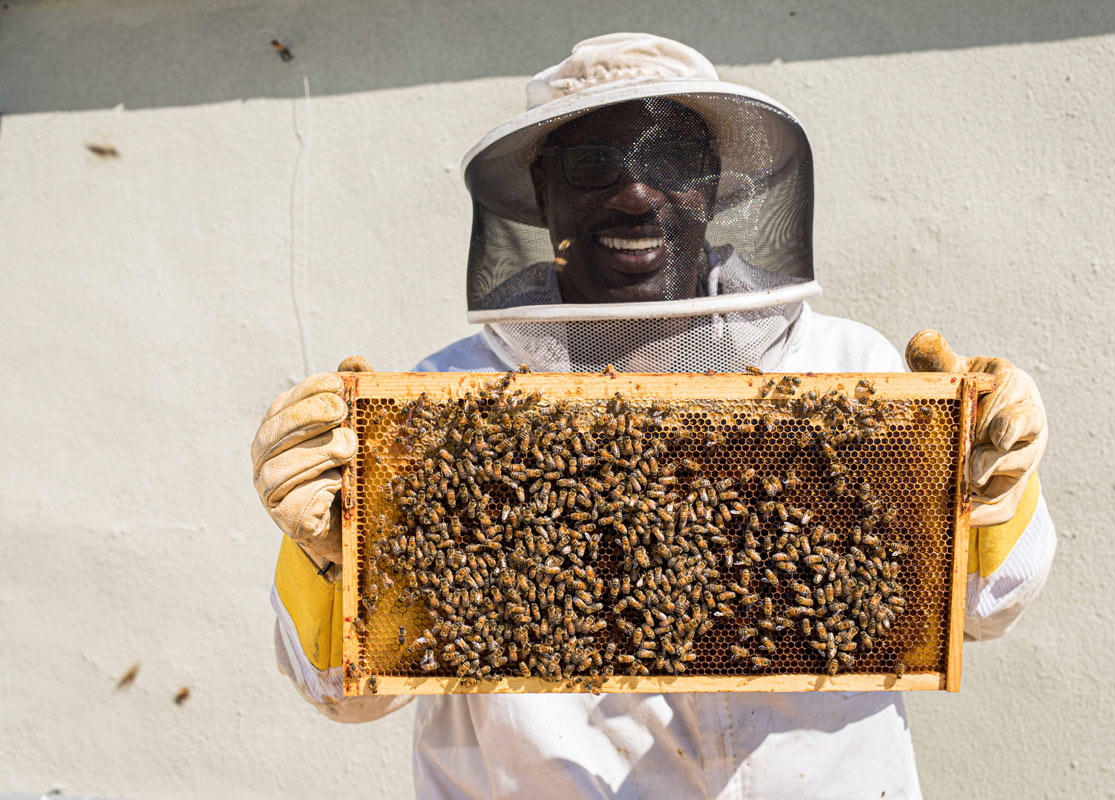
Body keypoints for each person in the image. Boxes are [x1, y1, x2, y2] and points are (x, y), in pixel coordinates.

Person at [253, 33, 1054, 799]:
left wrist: (993, 489)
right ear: (544, 195)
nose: (635, 193)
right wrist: (334, 552)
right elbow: (339, 690)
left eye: (667, 160)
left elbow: (987, 605)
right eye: (594, 165)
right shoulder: (441, 406)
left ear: (708, 184)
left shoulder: (852, 372)